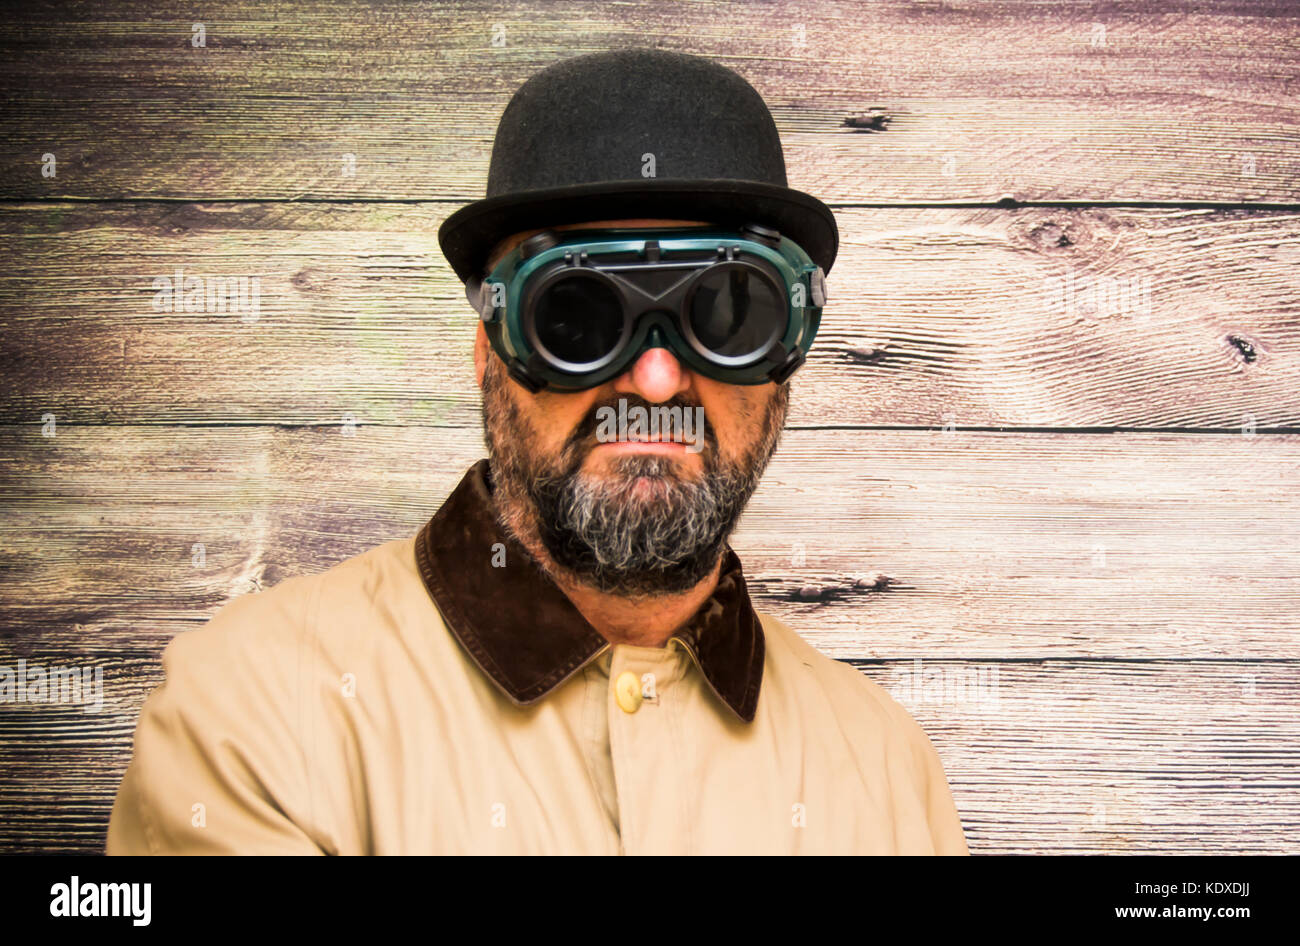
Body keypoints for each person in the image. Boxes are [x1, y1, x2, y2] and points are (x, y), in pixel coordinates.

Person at [106, 48, 968, 855]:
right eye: (579, 318)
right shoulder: (259, 712)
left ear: (782, 366)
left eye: (726, 311)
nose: (659, 382)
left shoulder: (886, 776)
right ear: (489, 349)